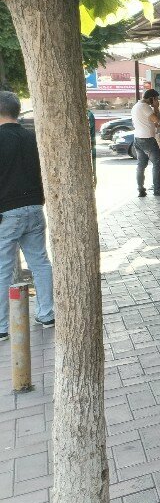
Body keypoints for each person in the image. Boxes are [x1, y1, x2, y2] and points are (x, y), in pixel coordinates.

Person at [0, 91, 55, 340]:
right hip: (34, 207)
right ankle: (46, 313)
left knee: (3, 269)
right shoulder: (32, 137)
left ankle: (2, 327)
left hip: (6, 212)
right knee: (40, 263)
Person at [132, 89, 160, 197]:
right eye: (156, 99)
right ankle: (157, 189)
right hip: (147, 139)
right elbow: (157, 119)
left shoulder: (136, 106)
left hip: (137, 138)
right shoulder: (145, 106)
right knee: (157, 163)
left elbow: (149, 121)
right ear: (151, 98)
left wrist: (154, 124)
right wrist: (156, 107)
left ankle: (141, 189)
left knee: (141, 164)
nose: (157, 101)